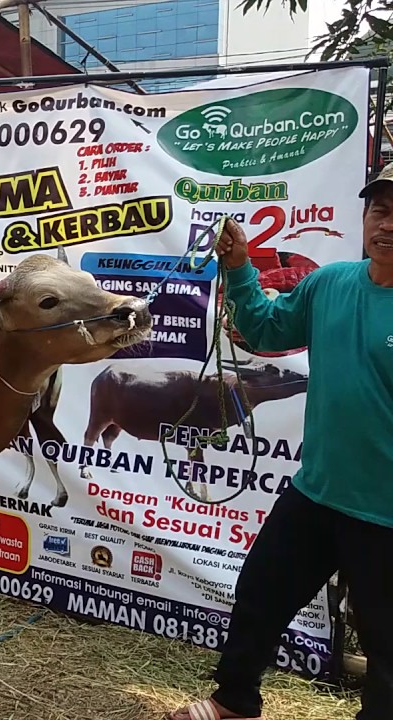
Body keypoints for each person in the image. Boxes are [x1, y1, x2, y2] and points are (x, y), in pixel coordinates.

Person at [167, 167, 393, 720]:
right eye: (381, 211)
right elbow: (267, 330)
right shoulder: (330, 283)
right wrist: (239, 267)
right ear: (365, 218)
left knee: (386, 642)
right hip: (318, 490)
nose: (388, 225)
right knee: (261, 593)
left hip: (386, 513)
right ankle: (234, 701)